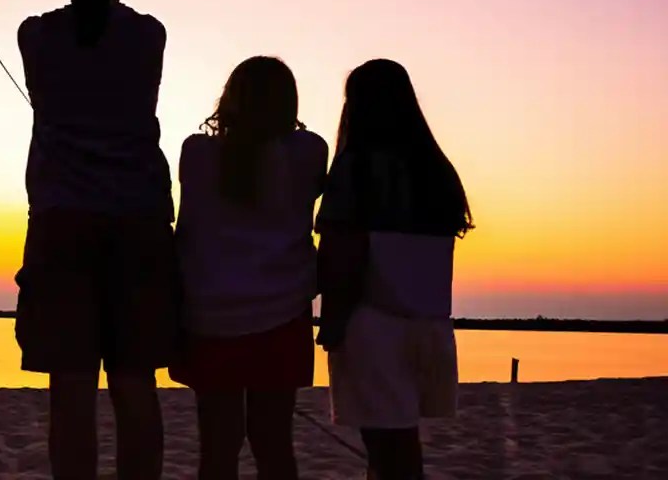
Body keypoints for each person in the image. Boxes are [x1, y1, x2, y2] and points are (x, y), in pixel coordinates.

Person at [14, 0, 176, 480]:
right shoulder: (149, 35)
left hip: (62, 221)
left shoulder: (35, 35)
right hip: (139, 221)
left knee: (72, 388)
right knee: (135, 382)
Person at [315, 59, 473, 480]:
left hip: (373, 323)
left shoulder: (357, 168)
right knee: (401, 445)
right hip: (431, 324)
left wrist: (331, 321)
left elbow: (342, 254)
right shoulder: (436, 171)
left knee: (385, 448)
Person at [171, 57, 328, 480]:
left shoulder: (197, 152)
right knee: (274, 443)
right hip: (282, 316)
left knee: (218, 447)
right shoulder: (309, 152)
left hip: (210, 318)